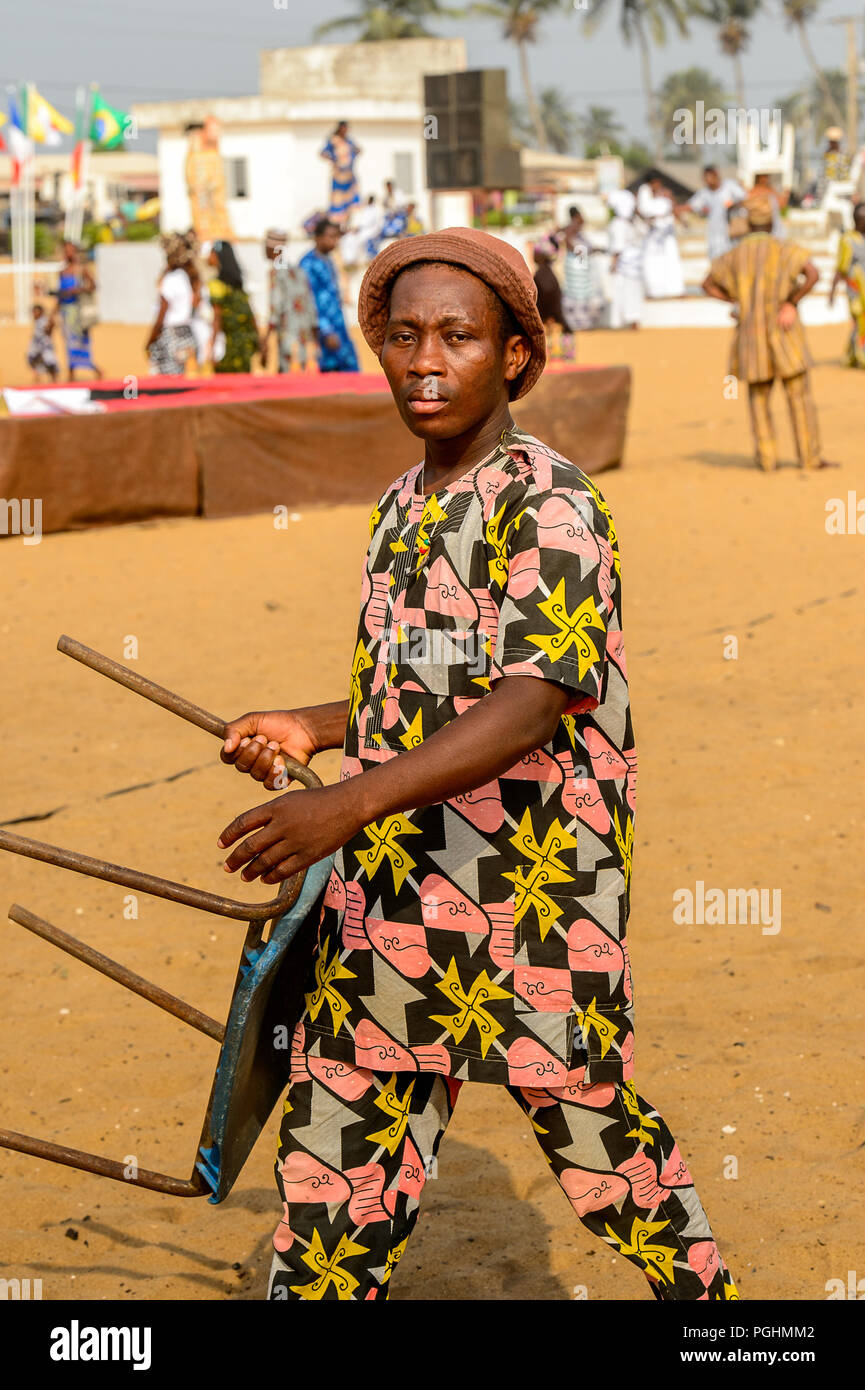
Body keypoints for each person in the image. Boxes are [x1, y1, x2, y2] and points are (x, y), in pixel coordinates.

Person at [216, 225, 740, 1304]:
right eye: (403, 334)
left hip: (530, 899)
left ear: (513, 354)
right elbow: (426, 688)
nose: (424, 359)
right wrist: (318, 727)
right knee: (334, 1170)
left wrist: (346, 804)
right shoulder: (401, 509)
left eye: (457, 335)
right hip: (398, 898)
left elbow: (529, 700)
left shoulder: (549, 503)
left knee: (603, 1154)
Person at [702, 194, 830, 471]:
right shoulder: (785, 250)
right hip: (785, 333)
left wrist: (736, 301)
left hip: (751, 338)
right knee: (799, 397)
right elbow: (813, 274)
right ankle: (810, 458)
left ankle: (768, 460)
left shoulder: (733, 255)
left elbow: (707, 283)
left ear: (748, 224)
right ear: (771, 221)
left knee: (758, 400)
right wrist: (791, 302)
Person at [299, 218, 359, 374]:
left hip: (338, 326)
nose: (335, 241)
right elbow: (309, 300)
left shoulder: (328, 260)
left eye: (337, 237)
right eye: (331, 236)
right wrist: (326, 331)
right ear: (318, 237)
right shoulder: (308, 264)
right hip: (322, 332)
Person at [263, 229, 319, 373]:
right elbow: (312, 308)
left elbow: (275, 307)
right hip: (306, 339)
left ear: (274, 250)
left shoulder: (275, 272)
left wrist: (265, 340)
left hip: (288, 337)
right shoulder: (299, 271)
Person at [145, 232, 197, 377]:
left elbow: (162, 313)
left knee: (166, 381)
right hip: (185, 333)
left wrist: (150, 340)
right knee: (179, 377)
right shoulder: (184, 276)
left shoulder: (170, 280)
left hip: (170, 335)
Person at [206, 240, 260, 374]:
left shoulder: (216, 285)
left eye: (211, 253)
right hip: (246, 343)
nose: (208, 257)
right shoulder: (238, 284)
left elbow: (217, 318)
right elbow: (251, 314)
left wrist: (212, 346)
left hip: (228, 345)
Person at [54, 240, 102, 381]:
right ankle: (71, 373)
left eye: (71, 250)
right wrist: (53, 313)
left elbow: (93, 286)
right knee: (68, 342)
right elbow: (60, 295)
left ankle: (93, 368)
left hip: (79, 312)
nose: (68, 253)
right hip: (66, 312)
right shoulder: (62, 271)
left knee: (80, 342)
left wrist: (78, 290)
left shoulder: (82, 269)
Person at [555, 205, 604, 331]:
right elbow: (567, 240)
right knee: (578, 293)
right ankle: (578, 323)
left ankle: (581, 322)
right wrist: (579, 252)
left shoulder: (572, 227)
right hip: (576, 264)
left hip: (577, 263)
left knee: (581, 292)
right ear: (577, 215)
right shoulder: (573, 226)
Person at [828, 202, 865, 369]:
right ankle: (861, 356)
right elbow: (841, 268)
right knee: (860, 320)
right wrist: (832, 291)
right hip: (856, 290)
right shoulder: (848, 240)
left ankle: (852, 355)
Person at [636, 178, 685, 298]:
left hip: (666, 236)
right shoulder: (644, 194)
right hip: (652, 236)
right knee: (652, 263)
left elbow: (674, 209)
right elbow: (640, 212)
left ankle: (672, 289)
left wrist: (682, 221)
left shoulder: (666, 194)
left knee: (669, 261)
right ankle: (653, 290)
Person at [686, 166, 747, 261]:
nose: (707, 181)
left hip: (733, 231)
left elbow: (745, 198)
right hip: (715, 234)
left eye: (709, 177)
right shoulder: (704, 193)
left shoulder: (729, 186)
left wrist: (733, 205)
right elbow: (692, 205)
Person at [607, 189, 645, 330]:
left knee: (621, 292)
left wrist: (613, 264)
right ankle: (634, 318)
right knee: (633, 292)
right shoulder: (633, 222)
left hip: (624, 264)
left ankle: (623, 320)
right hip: (635, 263)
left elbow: (618, 247)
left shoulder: (618, 223)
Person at [532, 235, 574, 358]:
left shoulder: (537, 275)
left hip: (542, 306)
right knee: (565, 327)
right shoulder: (553, 271)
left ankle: (544, 353)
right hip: (554, 305)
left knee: (539, 328)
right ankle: (569, 353)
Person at [321, 120, 361, 227]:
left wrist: (355, 153)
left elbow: (357, 149)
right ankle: (337, 226)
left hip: (349, 176)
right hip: (338, 176)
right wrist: (334, 161)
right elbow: (323, 153)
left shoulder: (349, 141)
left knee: (350, 202)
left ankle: (346, 225)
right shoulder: (333, 140)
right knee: (338, 202)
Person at [27, 303, 59, 383]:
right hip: (38, 348)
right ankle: (38, 380)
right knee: (36, 364)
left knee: (50, 364)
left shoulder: (43, 320)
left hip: (45, 347)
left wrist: (51, 323)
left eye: (36, 312)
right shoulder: (37, 322)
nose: (34, 314)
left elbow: (48, 329)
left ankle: (54, 382)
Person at [748, 173, 787, 237]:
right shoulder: (757, 191)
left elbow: (781, 205)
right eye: (764, 176)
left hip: (768, 226)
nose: (766, 179)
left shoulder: (770, 191)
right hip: (756, 226)